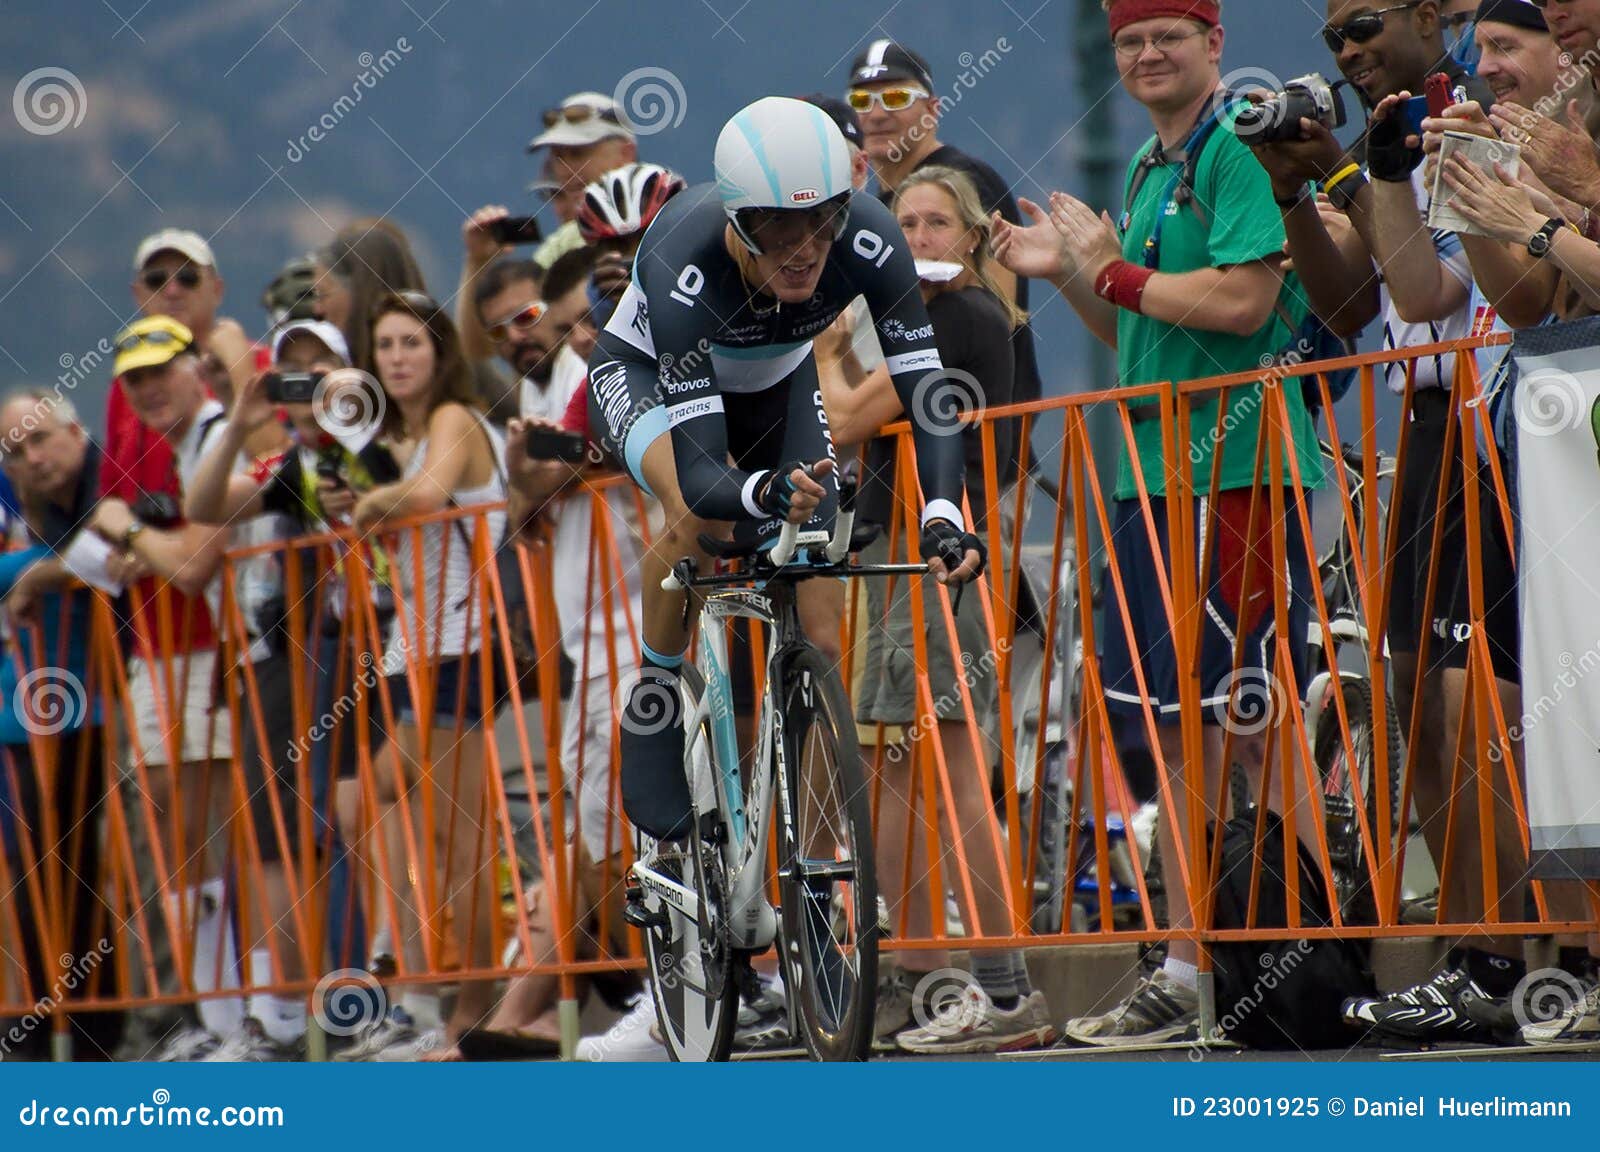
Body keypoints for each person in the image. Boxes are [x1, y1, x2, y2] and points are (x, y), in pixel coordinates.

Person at [992, 0, 1325, 1045]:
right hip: (1154, 483)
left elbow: (1239, 304)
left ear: (1212, 43)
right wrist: (1073, 274)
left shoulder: (1231, 146)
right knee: (1175, 729)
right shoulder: (1144, 167)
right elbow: (1134, 315)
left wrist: (1111, 270)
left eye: (1165, 36)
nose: (1144, 55)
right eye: (1130, 40)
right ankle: (1189, 967)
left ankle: (1301, 959)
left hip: (1234, 473)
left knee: (1254, 725)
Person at [585, 95, 983, 859]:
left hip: (778, 380)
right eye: (775, 228)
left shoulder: (870, 236)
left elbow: (927, 391)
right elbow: (704, 475)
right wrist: (759, 494)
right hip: (648, 379)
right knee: (695, 519)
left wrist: (940, 512)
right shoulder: (683, 257)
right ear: (735, 223)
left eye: (823, 221)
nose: (804, 249)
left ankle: (805, 806)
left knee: (818, 568)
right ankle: (658, 695)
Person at [1249, 0, 1536, 1043]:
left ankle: (1518, 952)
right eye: (1330, 41)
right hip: (1420, 426)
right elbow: (1347, 307)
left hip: (1491, 411)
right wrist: (1298, 192)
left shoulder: (1469, 109)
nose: (1346, 53)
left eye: (1363, 26)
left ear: (1428, 17)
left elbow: (1432, 291)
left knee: (1477, 708)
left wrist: (1344, 177)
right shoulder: (1389, 136)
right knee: (1412, 702)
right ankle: (1474, 952)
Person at [818, 164, 1053, 1053]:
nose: (917, 239)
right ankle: (919, 976)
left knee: (952, 772)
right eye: (902, 224)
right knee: (891, 773)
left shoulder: (960, 318)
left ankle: (1005, 989)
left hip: (943, 567)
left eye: (934, 223)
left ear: (973, 235)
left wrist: (825, 339)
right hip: (896, 560)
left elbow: (842, 416)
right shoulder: (925, 317)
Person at [183, 319, 393, 1059]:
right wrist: (240, 421)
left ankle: (370, 991)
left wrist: (354, 443)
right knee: (276, 828)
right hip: (286, 648)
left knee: (357, 812)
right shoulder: (289, 462)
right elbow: (203, 504)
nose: (308, 388)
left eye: (322, 369)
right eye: (294, 374)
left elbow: (395, 480)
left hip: (370, 645)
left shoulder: (378, 441)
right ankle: (289, 1009)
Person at [343, 292, 508, 1058]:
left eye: (412, 342)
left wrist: (369, 503)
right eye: (385, 345)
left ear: (440, 354)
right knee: (385, 801)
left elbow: (427, 496)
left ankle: (463, 1015)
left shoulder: (453, 420)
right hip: (420, 651)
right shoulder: (402, 433)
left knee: (458, 840)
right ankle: (416, 992)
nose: (398, 357)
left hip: (463, 648)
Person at [90, 315, 244, 1060]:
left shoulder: (214, 436)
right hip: (211, 659)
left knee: (212, 838)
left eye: (162, 371)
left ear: (198, 369)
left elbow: (192, 564)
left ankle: (241, 1018)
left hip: (228, 656)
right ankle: (215, 1018)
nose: (150, 390)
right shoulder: (183, 445)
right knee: (184, 845)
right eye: (136, 380)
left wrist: (128, 532)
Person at [846, 39, 1043, 477]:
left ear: (932, 109)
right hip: (893, 460)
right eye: (861, 100)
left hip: (975, 462)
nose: (876, 114)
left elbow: (994, 313)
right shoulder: (875, 204)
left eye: (897, 97)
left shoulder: (965, 184)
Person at [0, 392, 122, 1060]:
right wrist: (35, 572)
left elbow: (104, 553)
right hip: (40, 708)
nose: (33, 459)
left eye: (41, 439)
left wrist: (34, 575)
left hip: (98, 701)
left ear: (77, 430)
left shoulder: (109, 478)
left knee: (81, 867)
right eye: (16, 452)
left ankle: (92, 1026)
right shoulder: (37, 509)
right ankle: (49, 1024)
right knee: (37, 868)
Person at [528, 92, 638, 270]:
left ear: (626, 154)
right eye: (557, 156)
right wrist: (477, 261)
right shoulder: (561, 245)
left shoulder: (668, 216)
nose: (564, 170)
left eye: (577, 153)